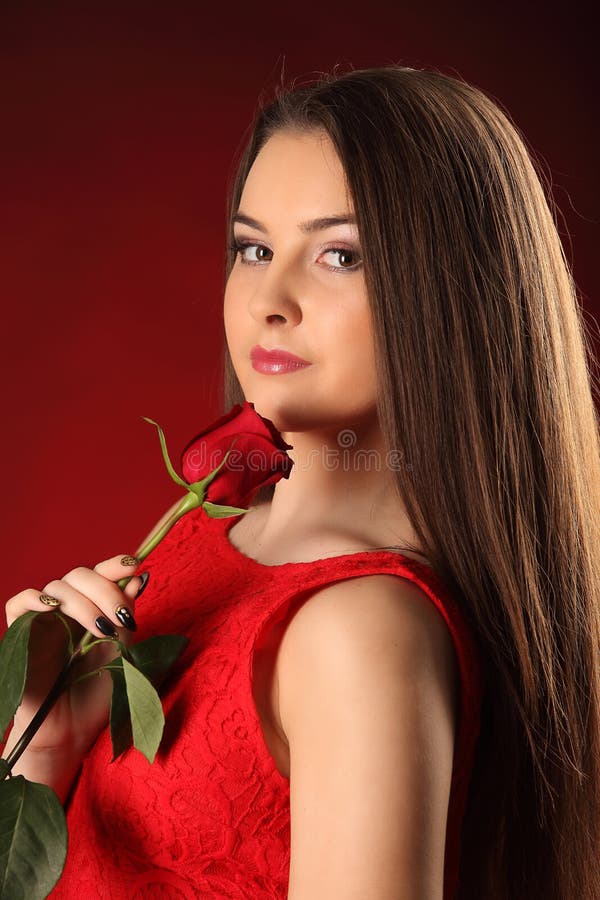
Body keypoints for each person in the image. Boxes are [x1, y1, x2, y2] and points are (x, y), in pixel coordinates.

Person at [3, 64, 599, 900]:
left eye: (339, 254)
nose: (268, 299)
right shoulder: (201, 535)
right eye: (253, 247)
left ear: (456, 293)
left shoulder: (360, 633)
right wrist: (44, 754)